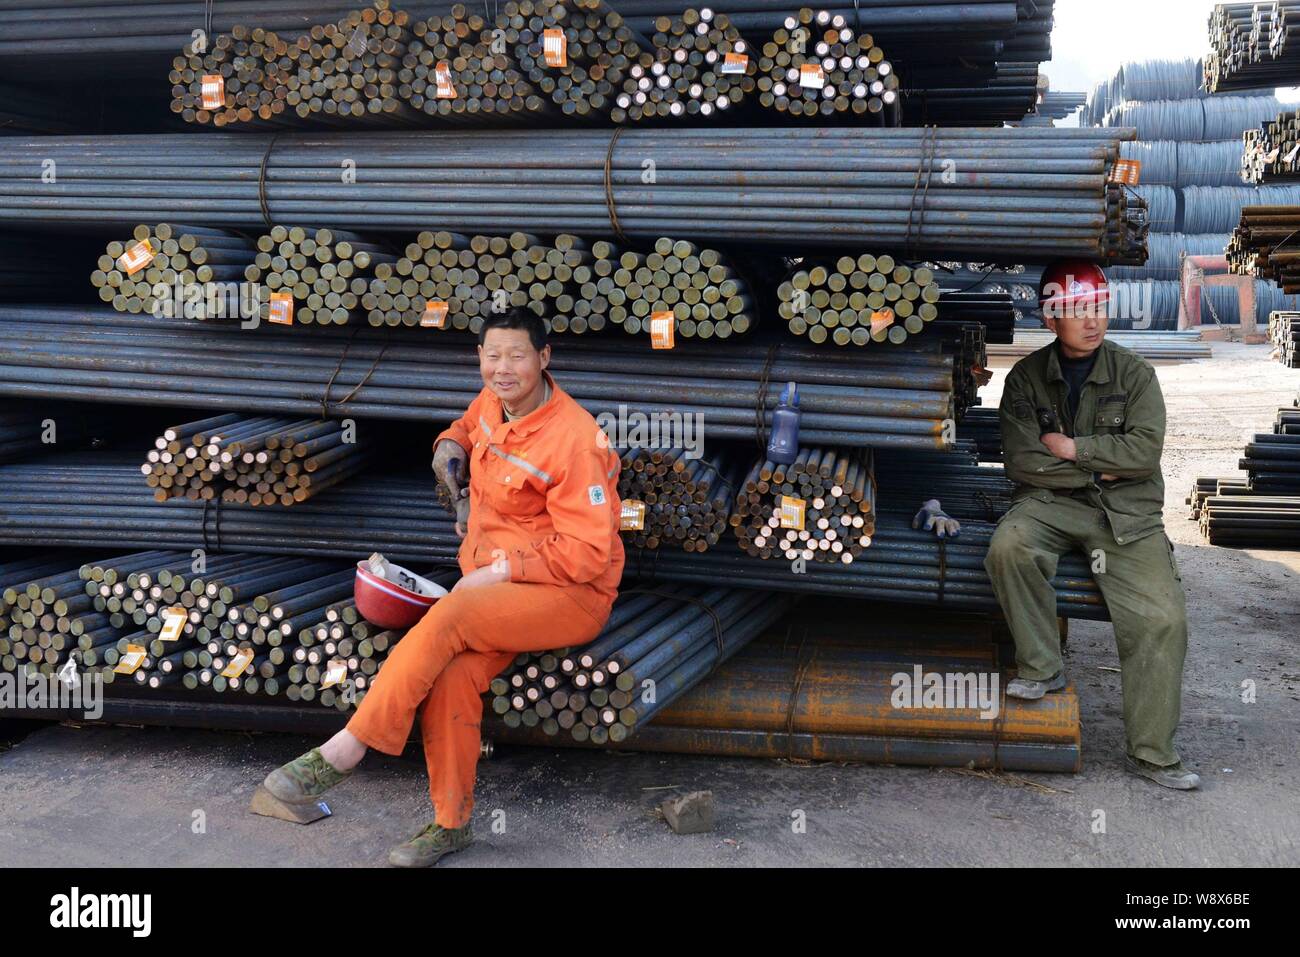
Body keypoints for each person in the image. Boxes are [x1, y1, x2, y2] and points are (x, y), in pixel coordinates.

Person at [258, 309, 625, 863]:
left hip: (568, 595)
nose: (503, 368)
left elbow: (587, 554)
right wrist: (448, 447)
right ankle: (451, 824)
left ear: (544, 359)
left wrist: (500, 571)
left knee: (450, 616)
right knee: (453, 675)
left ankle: (343, 751)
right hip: (497, 594)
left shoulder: (576, 441)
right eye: (492, 355)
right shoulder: (492, 405)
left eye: (517, 356)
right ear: (479, 357)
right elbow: (467, 428)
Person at [983, 261, 1199, 791]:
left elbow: (1144, 455)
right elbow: (1021, 462)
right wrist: (1101, 463)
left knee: (1161, 619)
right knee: (1009, 547)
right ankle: (1042, 665)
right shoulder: (1026, 379)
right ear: (1051, 318)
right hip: (1052, 502)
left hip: (1126, 511)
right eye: (1077, 310)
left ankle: (1152, 753)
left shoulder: (1135, 374)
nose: (1092, 321)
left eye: (1098, 308)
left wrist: (1075, 449)